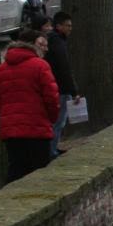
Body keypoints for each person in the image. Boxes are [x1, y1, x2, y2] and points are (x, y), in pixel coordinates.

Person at [0, 27, 60, 183]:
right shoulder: (40, 65)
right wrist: (50, 119)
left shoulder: (2, 68)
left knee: (16, 168)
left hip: (11, 129)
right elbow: (51, 97)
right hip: (37, 127)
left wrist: (8, 117)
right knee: (39, 171)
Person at [44, 11, 79, 159]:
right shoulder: (58, 43)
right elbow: (64, 68)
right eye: (68, 25)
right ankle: (51, 151)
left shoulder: (54, 40)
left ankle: (53, 148)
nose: (70, 28)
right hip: (60, 88)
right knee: (58, 121)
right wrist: (73, 90)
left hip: (56, 86)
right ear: (59, 26)